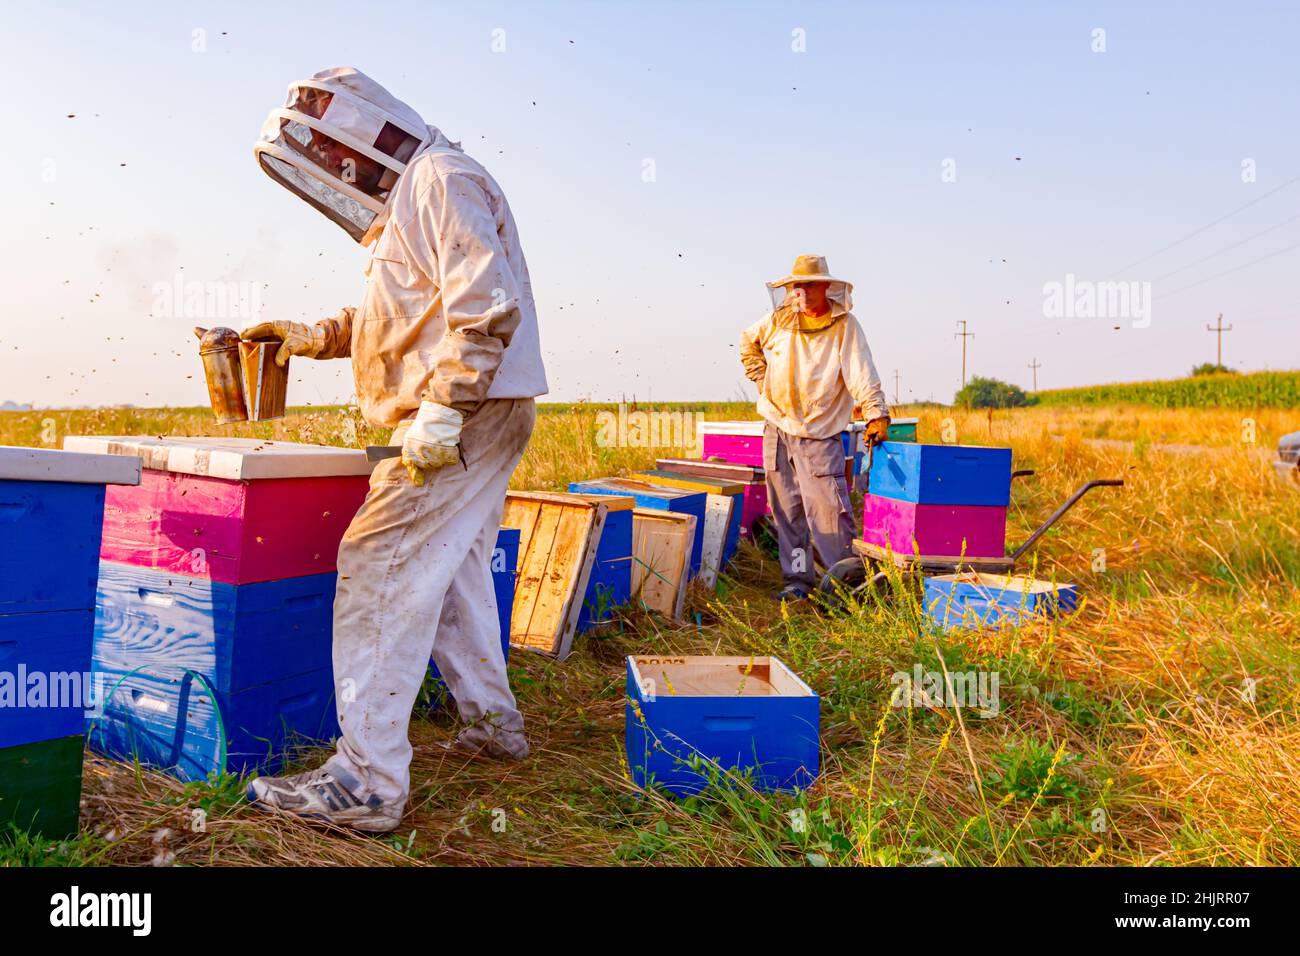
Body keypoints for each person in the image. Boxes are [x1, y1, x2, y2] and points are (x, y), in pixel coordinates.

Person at [240, 68, 547, 833]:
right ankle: (491, 726)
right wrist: (313, 337)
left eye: (334, 149)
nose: (337, 168)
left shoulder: (440, 179)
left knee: (380, 566)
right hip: (479, 410)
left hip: (462, 414)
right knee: (451, 569)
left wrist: (443, 412)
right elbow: (401, 313)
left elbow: (486, 304)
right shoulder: (409, 202)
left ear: (362, 130)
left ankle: (366, 782)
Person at [739, 255, 889, 601]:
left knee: (830, 515)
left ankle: (851, 587)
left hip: (819, 435)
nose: (801, 292)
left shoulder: (844, 326)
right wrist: (763, 380)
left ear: (826, 287)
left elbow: (862, 372)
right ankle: (798, 582)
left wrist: (875, 413)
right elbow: (748, 343)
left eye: (808, 284)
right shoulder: (777, 320)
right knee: (788, 514)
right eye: (796, 286)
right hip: (777, 429)